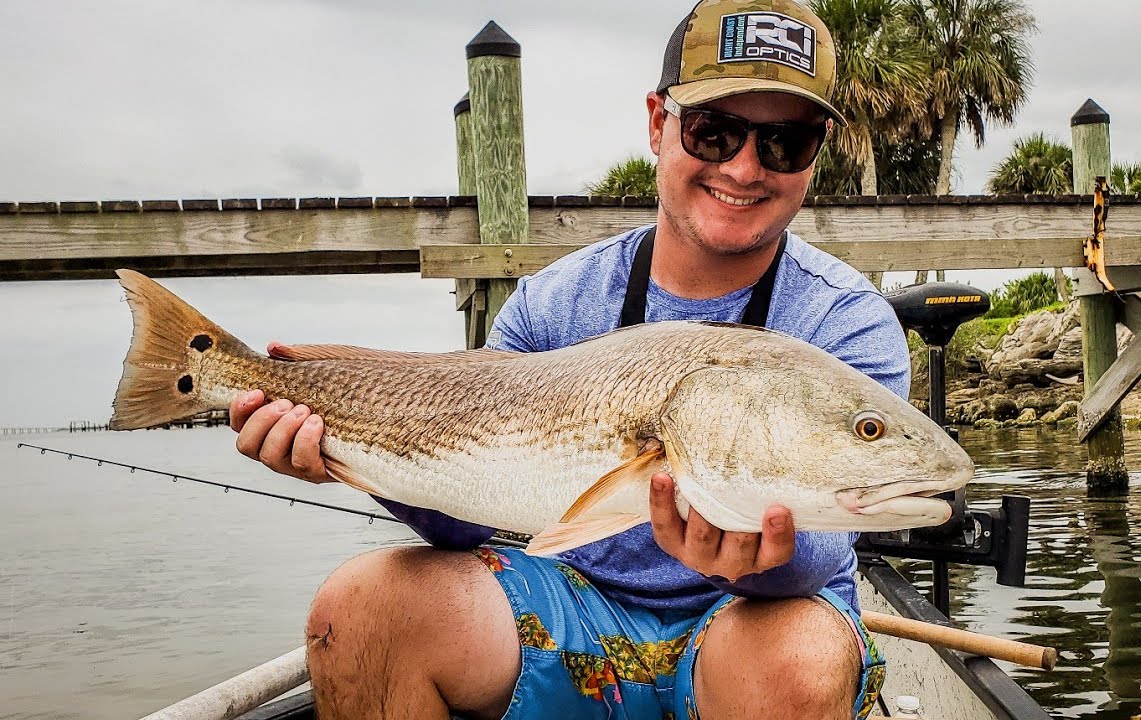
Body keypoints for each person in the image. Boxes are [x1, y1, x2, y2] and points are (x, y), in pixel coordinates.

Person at [230, 1, 910, 718]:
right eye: (714, 132)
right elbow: (464, 524)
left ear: (817, 151)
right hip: (569, 609)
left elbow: (823, 556)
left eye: (784, 142)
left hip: (749, 627)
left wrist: (762, 556)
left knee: (799, 662)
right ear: (658, 123)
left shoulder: (847, 322)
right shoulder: (550, 306)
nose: (743, 167)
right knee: (360, 608)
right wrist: (353, 455)